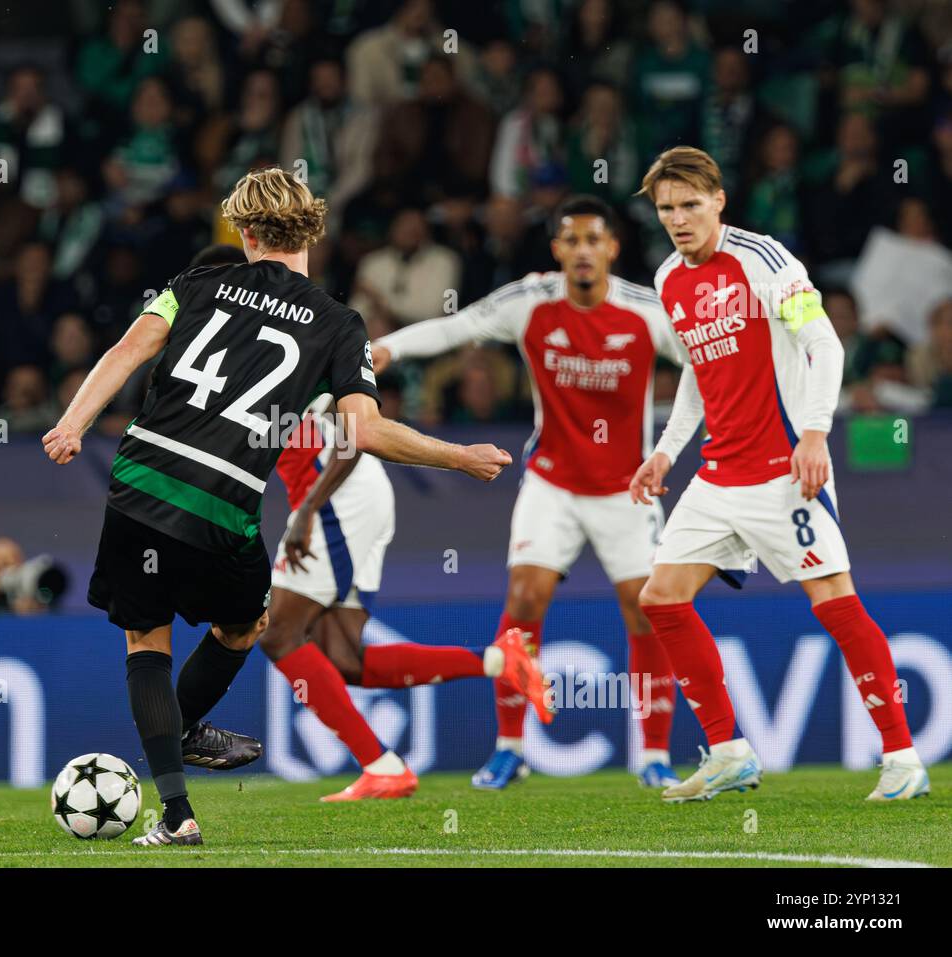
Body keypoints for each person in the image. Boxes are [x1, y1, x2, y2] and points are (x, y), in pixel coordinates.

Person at [41, 168, 513, 846]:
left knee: (147, 640)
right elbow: (366, 431)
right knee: (246, 626)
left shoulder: (196, 284)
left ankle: (178, 812)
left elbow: (127, 350)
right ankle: (183, 738)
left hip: (142, 479)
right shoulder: (339, 324)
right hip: (224, 501)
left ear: (245, 231)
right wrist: (459, 456)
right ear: (313, 230)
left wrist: (73, 423)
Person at [630, 146, 929, 803]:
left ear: (719, 201)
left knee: (835, 602)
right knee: (661, 598)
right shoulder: (668, 278)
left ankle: (903, 758)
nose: (678, 219)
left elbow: (824, 343)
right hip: (718, 476)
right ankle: (729, 753)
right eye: (666, 209)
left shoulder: (764, 262)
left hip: (783, 468)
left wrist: (815, 433)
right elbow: (697, 371)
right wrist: (666, 451)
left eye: (690, 205)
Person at [374, 195, 687, 789]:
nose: (583, 251)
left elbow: (705, 364)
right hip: (553, 483)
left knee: (648, 612)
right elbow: (459, 325)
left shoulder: (648, 311)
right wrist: (392, 346)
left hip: (627, 488)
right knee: (523, 600)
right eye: (572, 240)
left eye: (594, 240)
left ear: (613, 248)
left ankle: (653, 756)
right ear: (557, 250)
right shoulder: (530, 301)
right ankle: (510, 747)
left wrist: (672, 445)